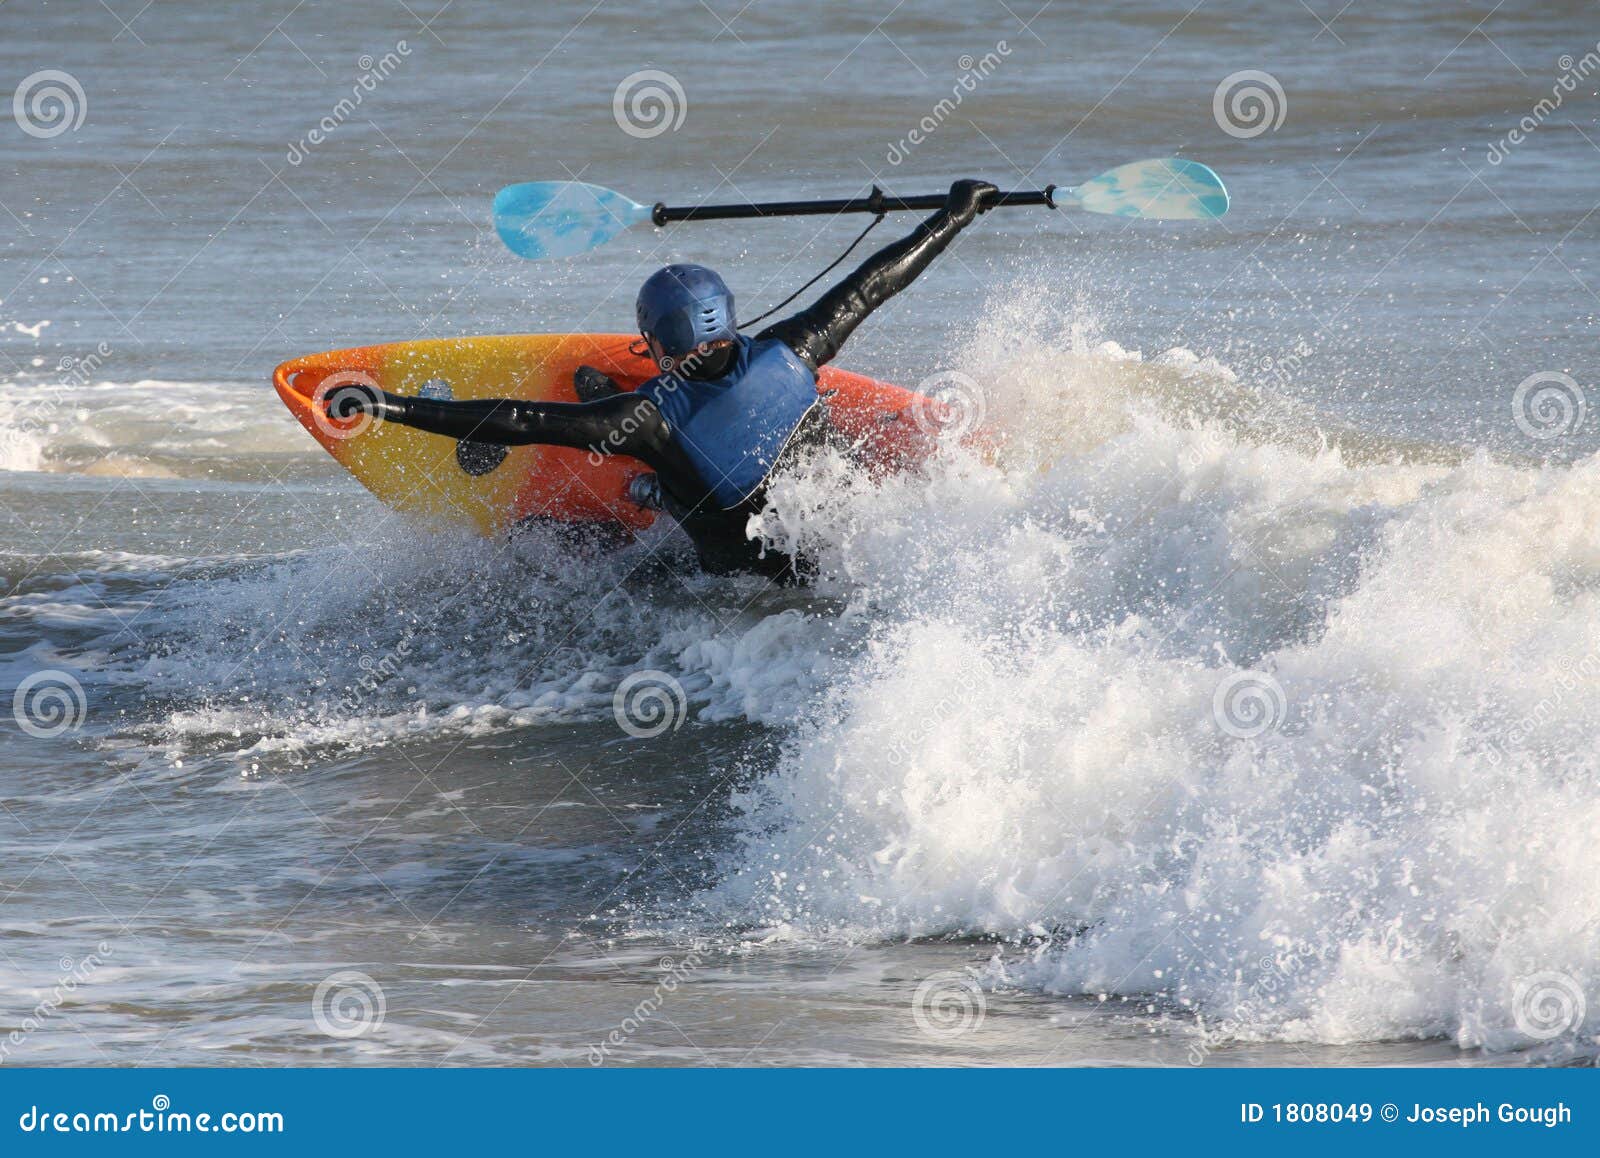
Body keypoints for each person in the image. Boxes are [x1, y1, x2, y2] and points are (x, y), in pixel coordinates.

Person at [329, 179, 998, 578]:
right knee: (810, 442)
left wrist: (388, 405)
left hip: (737, 572)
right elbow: (877, 281)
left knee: (670, 475)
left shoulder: (643, 418)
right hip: (829, 540)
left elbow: (517, 420)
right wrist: (954, 215)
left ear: (656, 342)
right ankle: (665, 485)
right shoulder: (796, 349)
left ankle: (655, 491)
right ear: (728, 319)